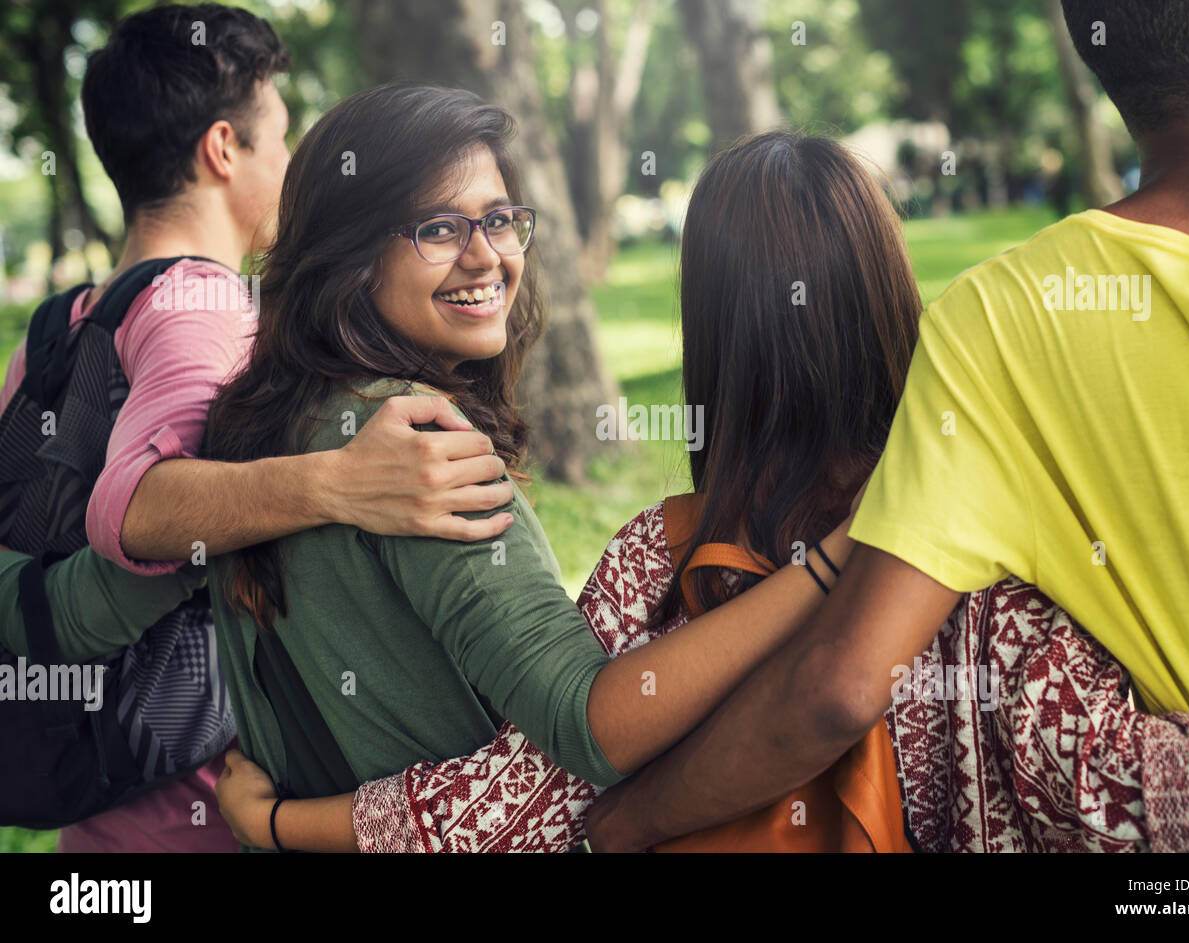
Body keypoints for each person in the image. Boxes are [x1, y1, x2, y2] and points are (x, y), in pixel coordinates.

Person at [215, 132, 1189, 854]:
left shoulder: (656, 559)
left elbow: (517, 805)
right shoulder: (983, 542)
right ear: (888, 292)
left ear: (710, 333)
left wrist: (277, 825)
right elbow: (1113, 775)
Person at [580, 0, 1189, 853]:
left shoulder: (998, 319)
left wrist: (620, 826)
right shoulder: (1000, 614)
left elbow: (840, 688)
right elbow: (1115, 766)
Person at [196, 85, 883, 855]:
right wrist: (830, 564)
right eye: (437, 228)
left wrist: (277, 826)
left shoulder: (266, 428)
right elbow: (584, 727)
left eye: (499, 218)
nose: (486, 254)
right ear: (349, 257)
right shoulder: (415, 443)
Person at [0, 3, 512, 853]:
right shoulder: (206, 304)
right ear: (223, 148)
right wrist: (342, 481)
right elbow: (134, 506)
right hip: (208, 801)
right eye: (281, 139)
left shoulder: (61, 323)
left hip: (101, 813)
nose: (291, 163)